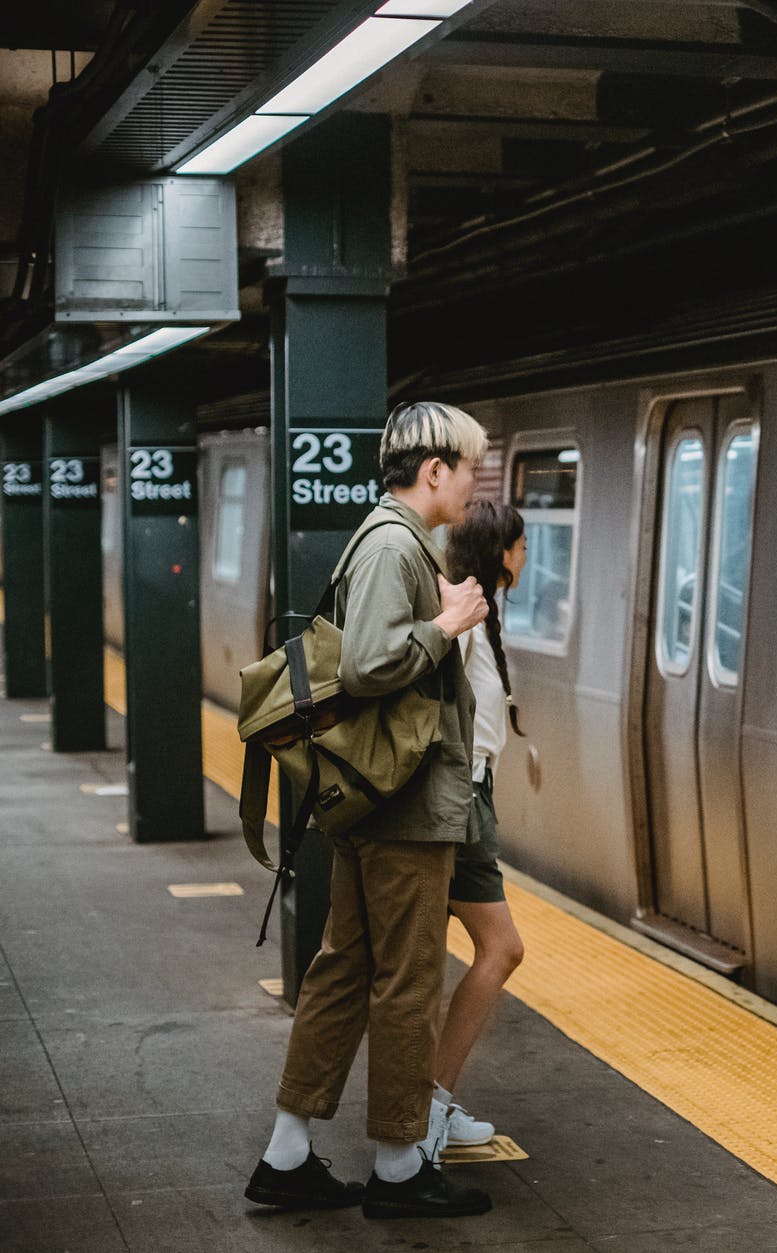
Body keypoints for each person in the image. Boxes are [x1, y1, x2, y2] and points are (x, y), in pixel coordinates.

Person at [244, 402, 494, 1220]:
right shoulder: (395, 545)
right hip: (403, 805)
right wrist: (449, 622)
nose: (474, 481)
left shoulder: (386, 537)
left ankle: (286, 1154)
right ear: (434, 472)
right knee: (407, 980)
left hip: (375, 800)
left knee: (345, 969)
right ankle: (396, 1165)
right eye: (470, 466)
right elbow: (372, 660)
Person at [432, 500, 529, 1146]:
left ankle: (420, 1104)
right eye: (521, 544)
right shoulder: (466, 616)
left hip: (468, 795)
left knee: (406, 964)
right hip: (457, 801)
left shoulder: (482, 613)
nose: (526, 555)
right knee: (502, 948)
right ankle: (430, 1104)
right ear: (500, 552)